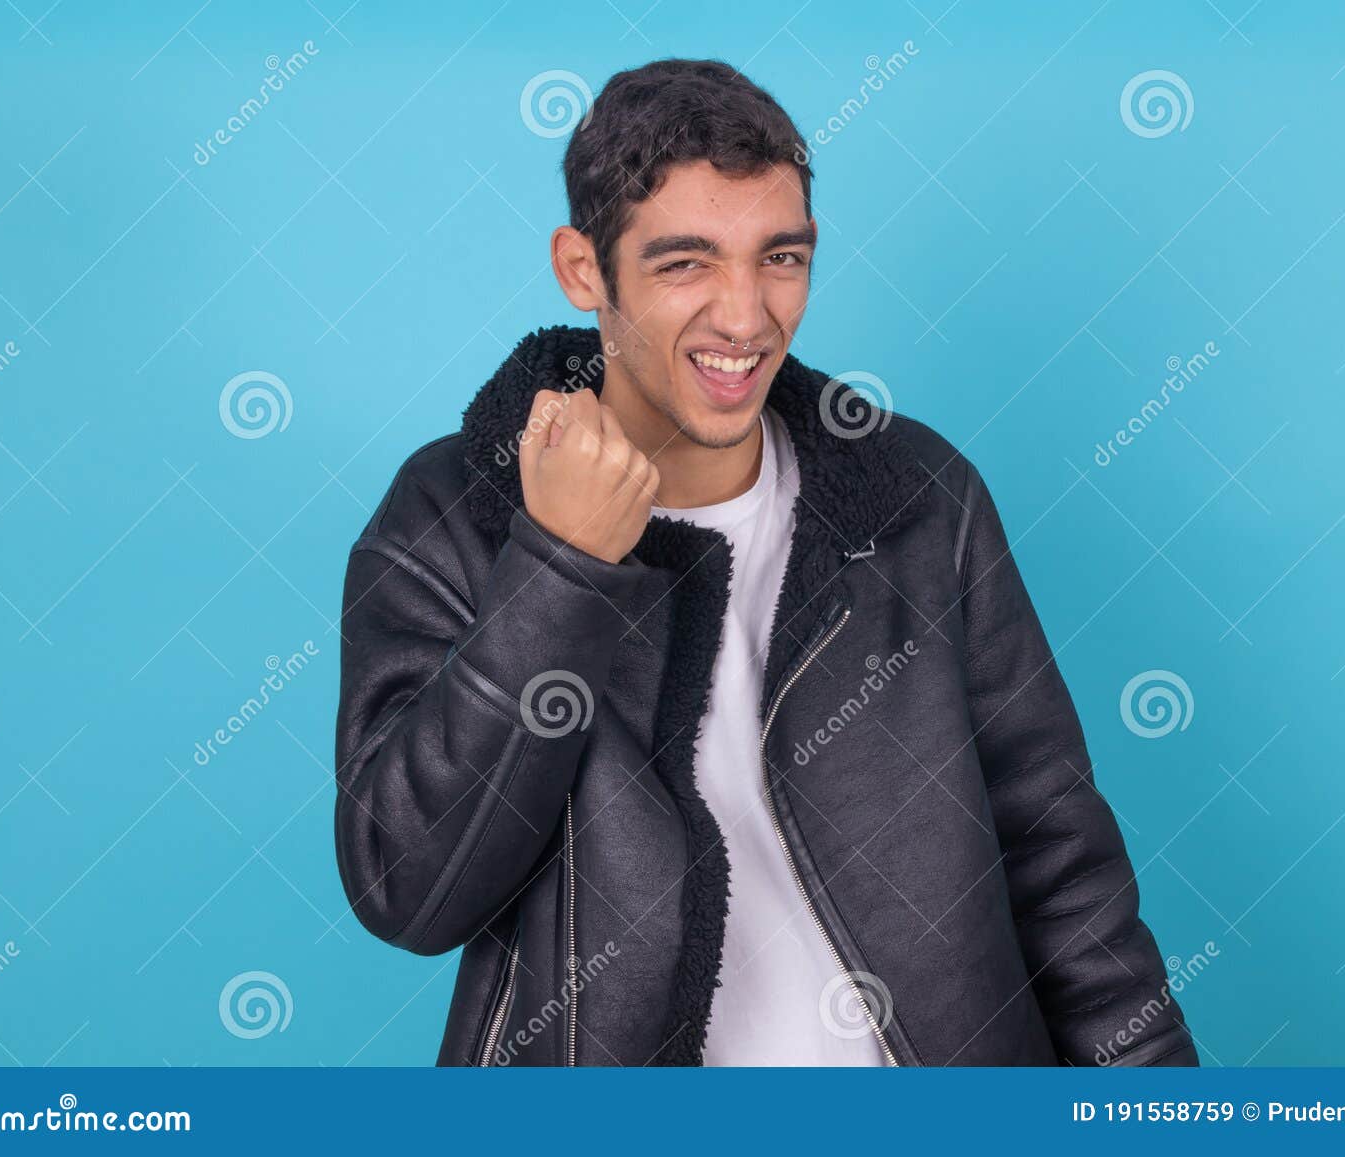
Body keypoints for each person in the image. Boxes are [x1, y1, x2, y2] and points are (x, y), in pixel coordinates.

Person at [333, 58, 1197, 1067]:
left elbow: (1062, 867)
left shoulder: (917, 496)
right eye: (685, 263)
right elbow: (408, 888)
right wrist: (559, 565)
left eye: (779, 258)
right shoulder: (458, 512)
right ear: (582, 270)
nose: (745, 317)